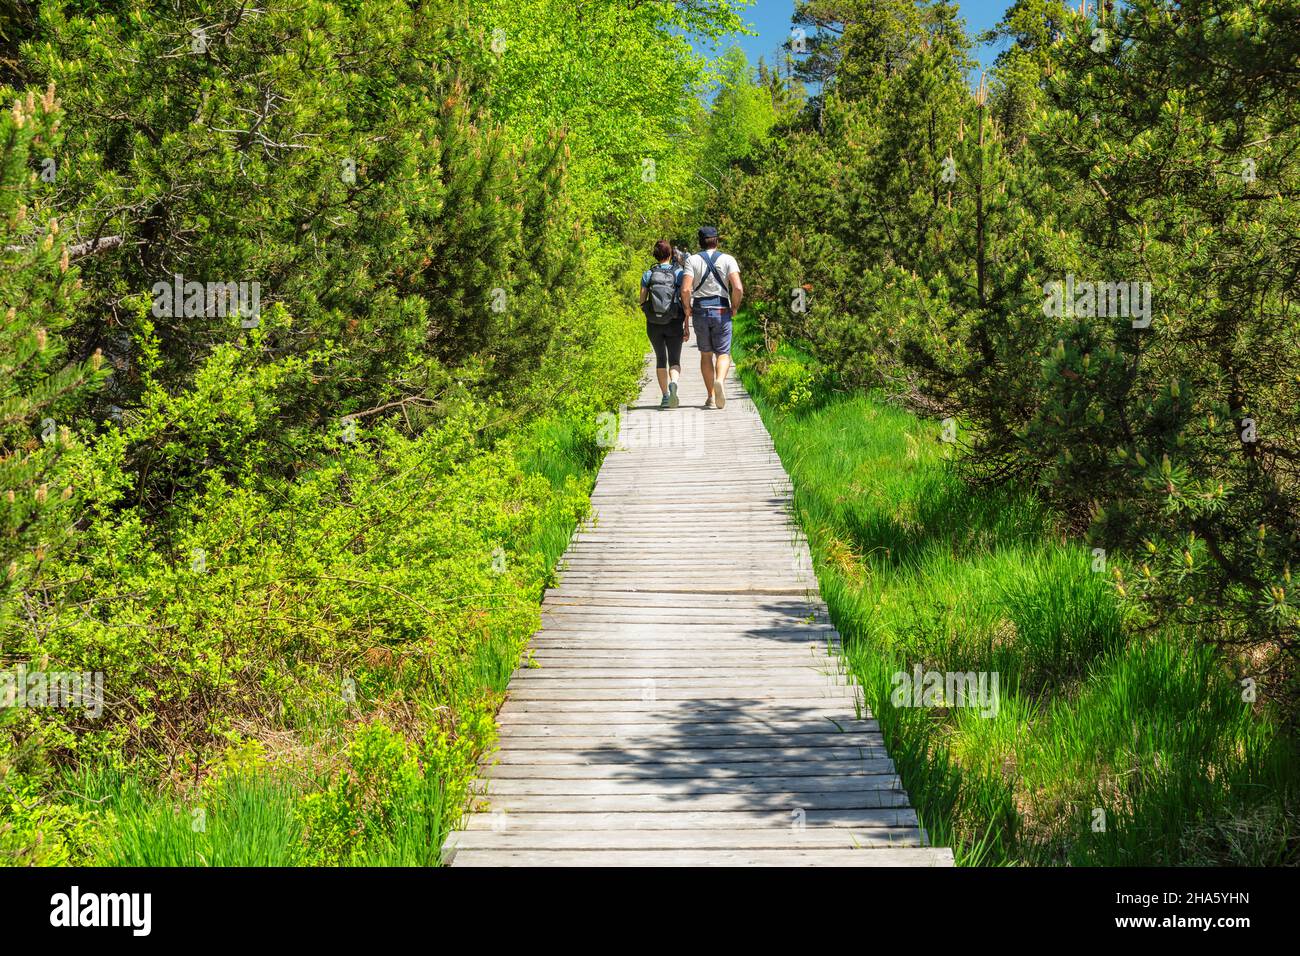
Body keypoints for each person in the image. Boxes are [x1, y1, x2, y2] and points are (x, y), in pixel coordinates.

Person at [680, 226, 743, 409]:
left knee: (706, 355)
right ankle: (720, 380)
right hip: (722, 310)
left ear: (700, 241)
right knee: (723, 353)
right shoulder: (728, 259)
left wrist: (687, 308)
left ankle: (711, 397)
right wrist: (735, 308)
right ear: (717, 240)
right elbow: (738, 288)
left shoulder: (692, 260)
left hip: (700, 310)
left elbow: (685, 289)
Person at [639, 239, 687, 409]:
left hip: (654, 323)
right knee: (674, 359)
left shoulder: (648, 274)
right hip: (674, 320)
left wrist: (648, 311)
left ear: (655, 255)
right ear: (670, 254)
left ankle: (665, 396)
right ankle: (673, 383)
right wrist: (686, 318)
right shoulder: (679, 273)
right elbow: (684, 296)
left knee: (661, 359)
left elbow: (642, 299)